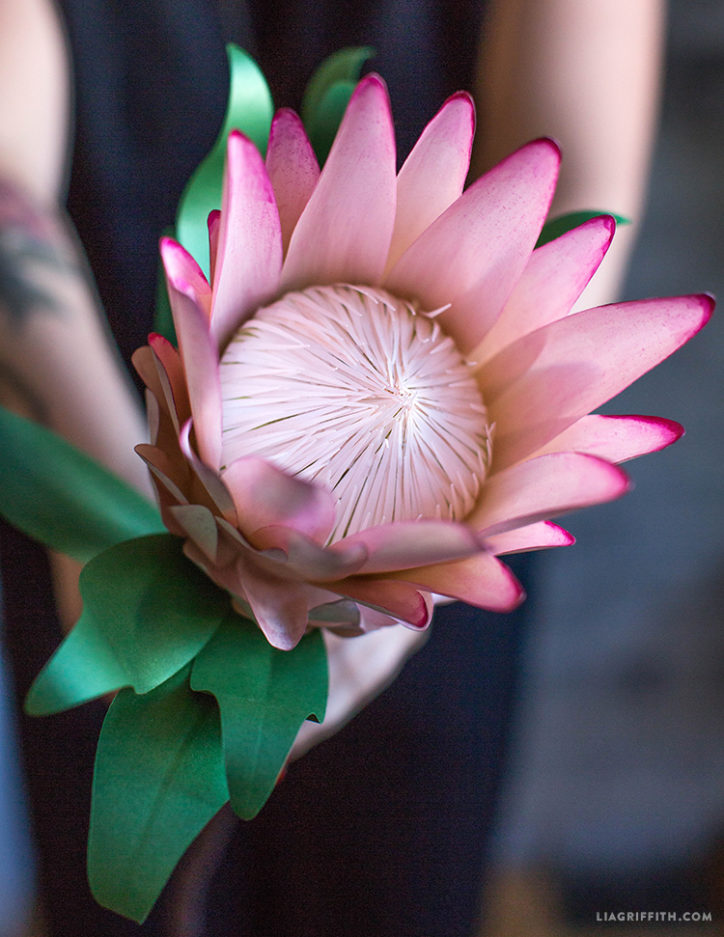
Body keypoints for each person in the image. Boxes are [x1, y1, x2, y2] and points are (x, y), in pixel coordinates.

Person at [0, 1, 664, 934]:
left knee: (395, 878)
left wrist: (445, 544)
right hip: (91, 392)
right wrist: (97, 491)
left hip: (440, 518)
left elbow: (571, 188)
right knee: (130, 899)